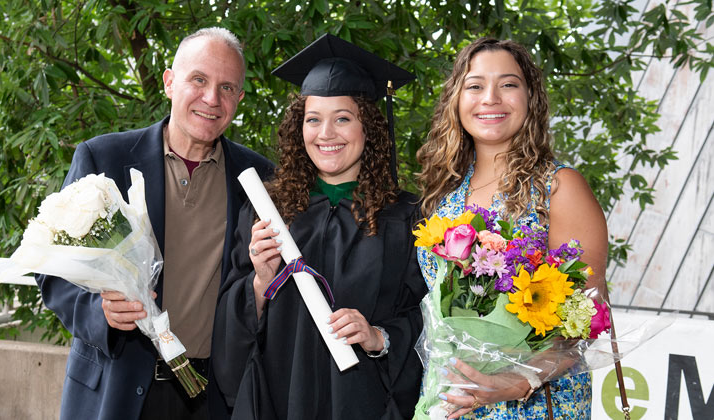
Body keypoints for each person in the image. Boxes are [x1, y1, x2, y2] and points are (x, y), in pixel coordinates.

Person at [36, 27, 274, 420]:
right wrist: (101, 313)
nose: (212, 98)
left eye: (227, 87)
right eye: (199, 79)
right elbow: (53, 275)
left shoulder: (258, 180)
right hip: (116, 392)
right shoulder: (103, 159)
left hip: (210, 398)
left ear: (240, 98)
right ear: (169, 82)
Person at [211, 34, 428, 420]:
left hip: (365, 403)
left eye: (342, 118)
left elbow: (426, 315)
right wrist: (260, 283)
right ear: (300, 129)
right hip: (278, 401)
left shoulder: (407, 217)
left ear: (370, 128)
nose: (326, 134)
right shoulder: (267, 212)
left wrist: (380, 337)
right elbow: (229, 328)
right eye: (313, 120)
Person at [416, 37, 609, 419]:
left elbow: (584, 314)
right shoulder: (444, 195)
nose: (490, 98)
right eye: (475, 86)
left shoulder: (558, 187)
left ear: (530, 98)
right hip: (451, 399)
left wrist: (517, 380)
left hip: (535, 403)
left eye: (508, 84)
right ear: (457, 99)